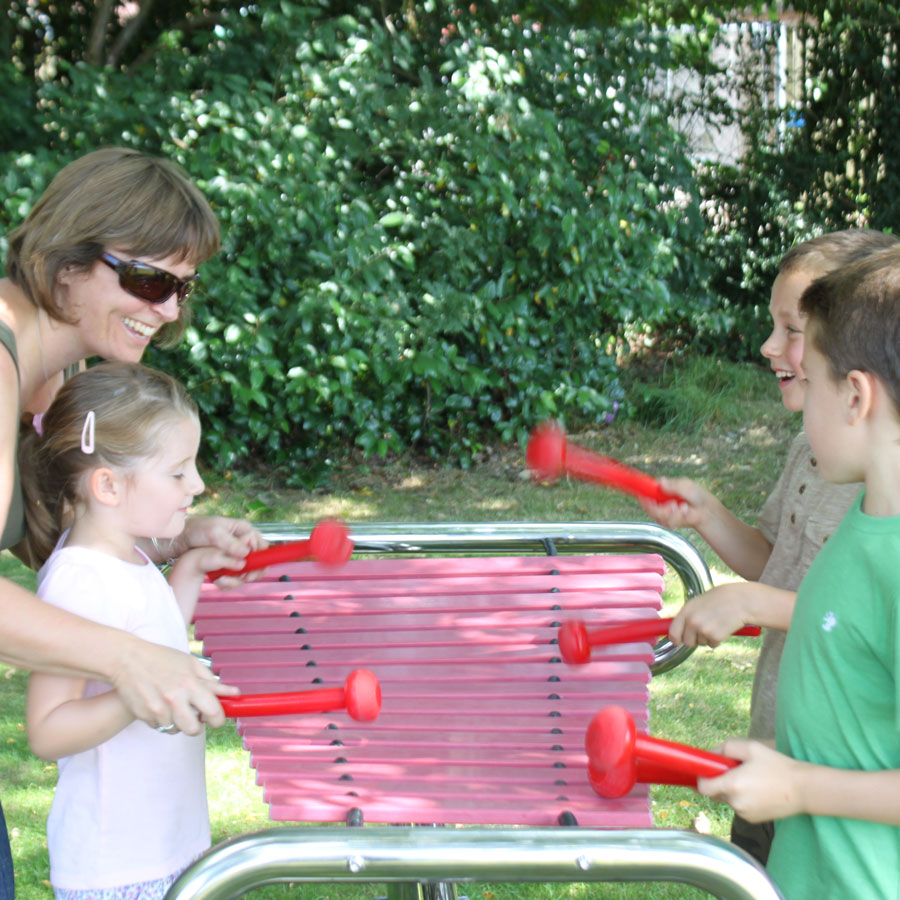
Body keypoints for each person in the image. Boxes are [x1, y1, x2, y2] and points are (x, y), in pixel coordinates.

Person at [0, 147, 265, 896]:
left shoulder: (60, 379)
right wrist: (128, 660)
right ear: (67, 264)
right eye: (149, 280)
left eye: (182, 287)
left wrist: (178, 541)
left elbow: (58, 539)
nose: (170, 309)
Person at [640, 228, 899, 864]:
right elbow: (806, 590)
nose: (769, 350)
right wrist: (711, 517)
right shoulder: (864, 530)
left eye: (809, 373)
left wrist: (799, 785)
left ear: (855, 394)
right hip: (801, 844)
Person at [22, 362, 239, 899]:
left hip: (165, 844)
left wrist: (189, 566)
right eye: (178, 472)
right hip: (115, 867)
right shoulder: (80, 579)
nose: (198, 484)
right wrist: (134, 699)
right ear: (109, 485)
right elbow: (48, 731)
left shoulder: (129, 558)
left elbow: (155, 642)